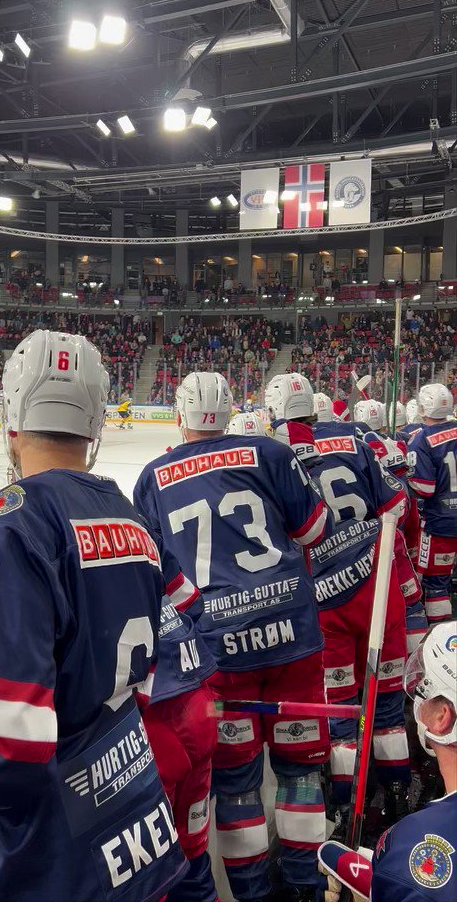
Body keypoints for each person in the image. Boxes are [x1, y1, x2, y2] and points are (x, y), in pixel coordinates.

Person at [0, 330, 186, 902]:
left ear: (10, 418)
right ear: (95, 427)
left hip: (31, 868)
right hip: (131, 834)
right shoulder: (134, 524)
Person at [134, 372, 330, 902]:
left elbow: (157, 573)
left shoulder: (153, 477)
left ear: (180, 415)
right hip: (292, 635)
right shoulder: (268, 452)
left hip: (220, 649)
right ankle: (305, 887)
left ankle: (250, 893)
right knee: (299, 772)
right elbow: (314, 530)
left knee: (237, 784)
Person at [267, 374, 410, 840]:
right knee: (387, 704)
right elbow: (396, 505)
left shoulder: (272, 456)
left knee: (344, 712)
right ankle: (396, 802)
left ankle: (349, 809)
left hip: (325, 603)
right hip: (377, 586)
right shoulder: (354, 437)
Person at [317, 621, 457, 902]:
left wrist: (393, 878)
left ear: (443, 719)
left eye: (423, 689)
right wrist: (383, 877)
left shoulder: (416, 844)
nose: (416, 698)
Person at [137, 548, 218, 902]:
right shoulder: (133, 524)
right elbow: (190, 602)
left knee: (153, 877)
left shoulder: (49, 538)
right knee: (193, 853)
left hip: (148, 723)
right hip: (198, 699)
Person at [408, 383, 456, 623]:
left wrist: (408, 475)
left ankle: (441, 638)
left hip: (441, 523)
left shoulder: (421, 440)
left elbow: (424, 488)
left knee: (436, 583)